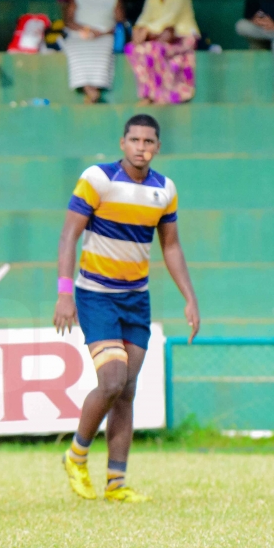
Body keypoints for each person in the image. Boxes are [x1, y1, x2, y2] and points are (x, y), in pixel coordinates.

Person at [56, 114, 198, 503]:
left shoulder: (164, 190)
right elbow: (69, 235)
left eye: (148, 141)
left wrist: (189, 297)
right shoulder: (98, 179)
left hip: (137, 298)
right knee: (112, 381)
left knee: (127, 390)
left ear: (157, 147)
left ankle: (116, 483)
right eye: (134, 140)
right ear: (122, 143)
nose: (141, 147)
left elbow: (171, 246)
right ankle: (76, 455)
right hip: (96, 295)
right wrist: (65, 293)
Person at [127, 0, 199, 105]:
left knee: (154, 49)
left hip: (184, 37)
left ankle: (162, 95)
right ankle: (147, 94)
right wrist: (138, 30)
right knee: (132, 48)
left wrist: (147, 31)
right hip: (159, 37)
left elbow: (171, 17)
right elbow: (144, 18)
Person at [64, 0, 123, 104]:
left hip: (104, 35)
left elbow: (120, 21)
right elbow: (68, 20)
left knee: (102, 51)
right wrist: (84, 29)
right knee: (75, 50)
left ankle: (95, 88)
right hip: (80, 34)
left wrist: (102, 32)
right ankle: (88, 89)